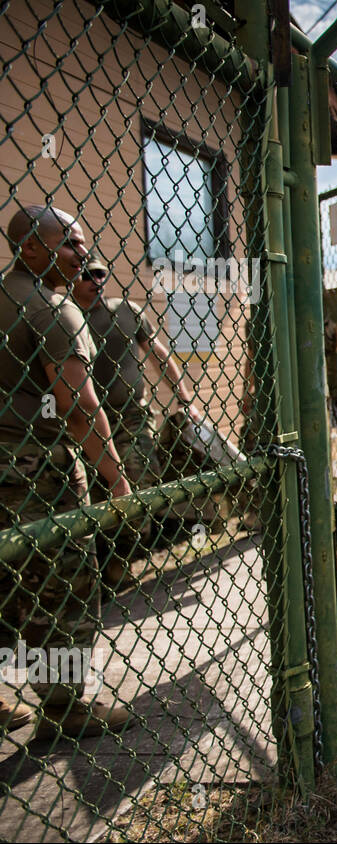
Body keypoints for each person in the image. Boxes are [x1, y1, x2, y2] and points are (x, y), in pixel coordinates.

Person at [0, 205, 134, 739]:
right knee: (62, 591)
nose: (82, 254)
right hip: (39, 471)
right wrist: (118, 480)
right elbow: (78, 409)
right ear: (29, 248)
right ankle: (65, 709)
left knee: (6, 587)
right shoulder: (52, 309)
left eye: (82, 244)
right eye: (70, 244)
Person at [70, 256, 198, 588]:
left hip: (130, 417)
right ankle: (96, 570)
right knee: (92, 494)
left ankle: (120, 562)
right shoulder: (63, 316)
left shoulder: (125, 311)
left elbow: (158, 355)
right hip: (81, 423)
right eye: (87, 275)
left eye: (100, 273)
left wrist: (184, 398)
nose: (95, 280)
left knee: (139, 485)